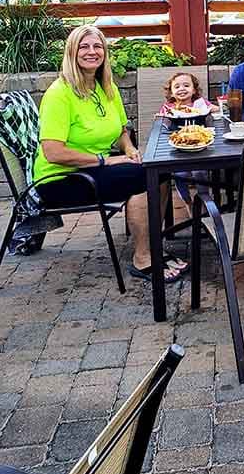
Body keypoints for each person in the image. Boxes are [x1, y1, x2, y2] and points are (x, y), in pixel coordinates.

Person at [33, 25, 187, 284]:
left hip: (93, 169)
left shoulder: (106, 87)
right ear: (72, 52)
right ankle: (143, 258)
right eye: (84, 46)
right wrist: (107, 160)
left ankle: (153, 246)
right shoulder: (59, 94)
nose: (92, 52)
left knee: (157, 170)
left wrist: (129, 149)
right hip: (61, 179)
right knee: (142, 177)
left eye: (97, 46)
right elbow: (53, 152)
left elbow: (121, 131)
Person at [158, 72, 218, 217]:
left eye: (186, 85)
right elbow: (161, 122)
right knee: (180, 174)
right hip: (178, 149)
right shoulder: (169, 107)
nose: (182, 89)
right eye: (177, 86)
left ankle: (203, 198)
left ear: (194, 89)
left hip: (200, 147)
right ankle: (187, 202)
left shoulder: (200, 104)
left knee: (200, 172)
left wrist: (215, 108)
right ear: (171, 91)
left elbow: (215, 109)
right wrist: (162, 117)